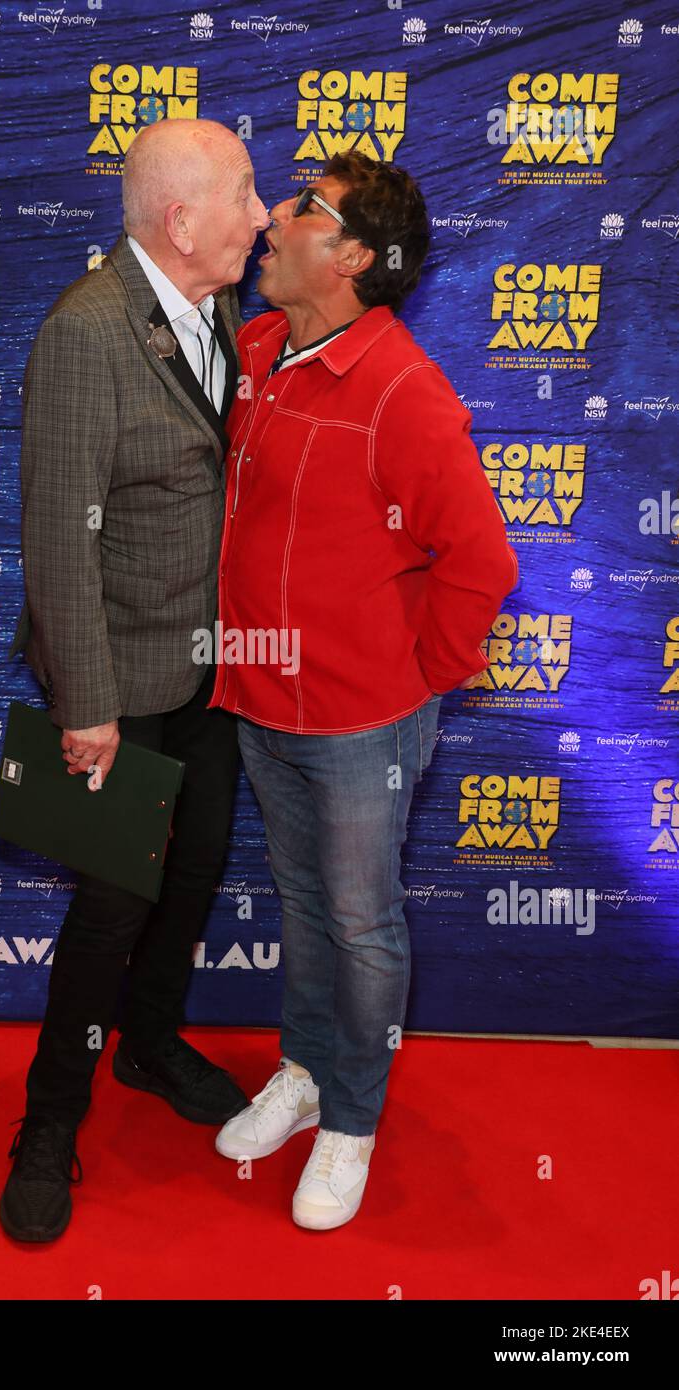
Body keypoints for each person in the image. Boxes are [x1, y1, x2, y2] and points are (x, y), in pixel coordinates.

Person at [211, 153, 519, 1230]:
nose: (272, 220)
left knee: (362, 921)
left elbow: (480, 565)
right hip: (258, 695)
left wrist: (410, 684)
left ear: (348, 257)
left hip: (360, 723)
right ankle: (303, 1070)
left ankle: (351, 1117)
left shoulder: (405, 392)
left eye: (300, 208)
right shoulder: (256, 346)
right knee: (305, 907)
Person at [0, 118, 270, 1243]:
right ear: (182, 220)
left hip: (210, 677)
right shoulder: (88, 329)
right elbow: (60, 539)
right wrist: (88, 709)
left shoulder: (220, 312)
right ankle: (47, 1126)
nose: (263, 216)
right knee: (111, 906)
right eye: (249, 195)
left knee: (195, 871)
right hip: (117, 682)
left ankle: (150, 1046)